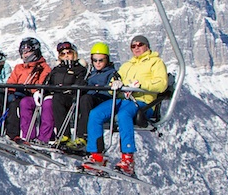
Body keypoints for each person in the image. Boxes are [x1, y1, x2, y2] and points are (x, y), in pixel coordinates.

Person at [84, 35, 168, 175]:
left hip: (143, 102)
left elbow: (161, 84)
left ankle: (128, 159)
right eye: (133, 46)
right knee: (96, 113)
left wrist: (141, 85)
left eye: (140, 45)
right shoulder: (127, 65)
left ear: (147, 46)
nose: (136, 48)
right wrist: (114, 83)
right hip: (123, 99)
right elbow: (116, 78)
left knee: (124, 115)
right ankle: (97, 156)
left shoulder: (155, 62)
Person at [61, 40, 115, 153]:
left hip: (102, 100)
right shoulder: (91, 74)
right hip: (90, 99)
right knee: (79, 100)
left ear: (107, 60)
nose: (98, 63)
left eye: (101, 60)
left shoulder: (111, 73)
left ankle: (83, 136)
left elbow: (112, 88)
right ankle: (64, 137)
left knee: (85, 99)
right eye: (95, 60)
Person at [3, 37, 51, 141]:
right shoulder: (19, 67)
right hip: (17, 94)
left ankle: (25, 135)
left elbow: (41, 83)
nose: (25, 55)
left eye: (28, 52)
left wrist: (30, 90)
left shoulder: (43, 67)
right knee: (5, 103)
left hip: (32, 96)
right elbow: (11, 81)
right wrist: (11, 91)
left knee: (22, 104)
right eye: (23, 52)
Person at [48, 40, 87, 147]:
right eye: (63, 54)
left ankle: (80, 137)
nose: (66, 56)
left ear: (74, 54)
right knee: (56, 99)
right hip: (60, 96)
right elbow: (48, 82)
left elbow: (82, 81)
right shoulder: (57, 70)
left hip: (74, 96)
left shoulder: (80, 69)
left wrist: (73, 89)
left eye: (68, 53)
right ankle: (63, 135)